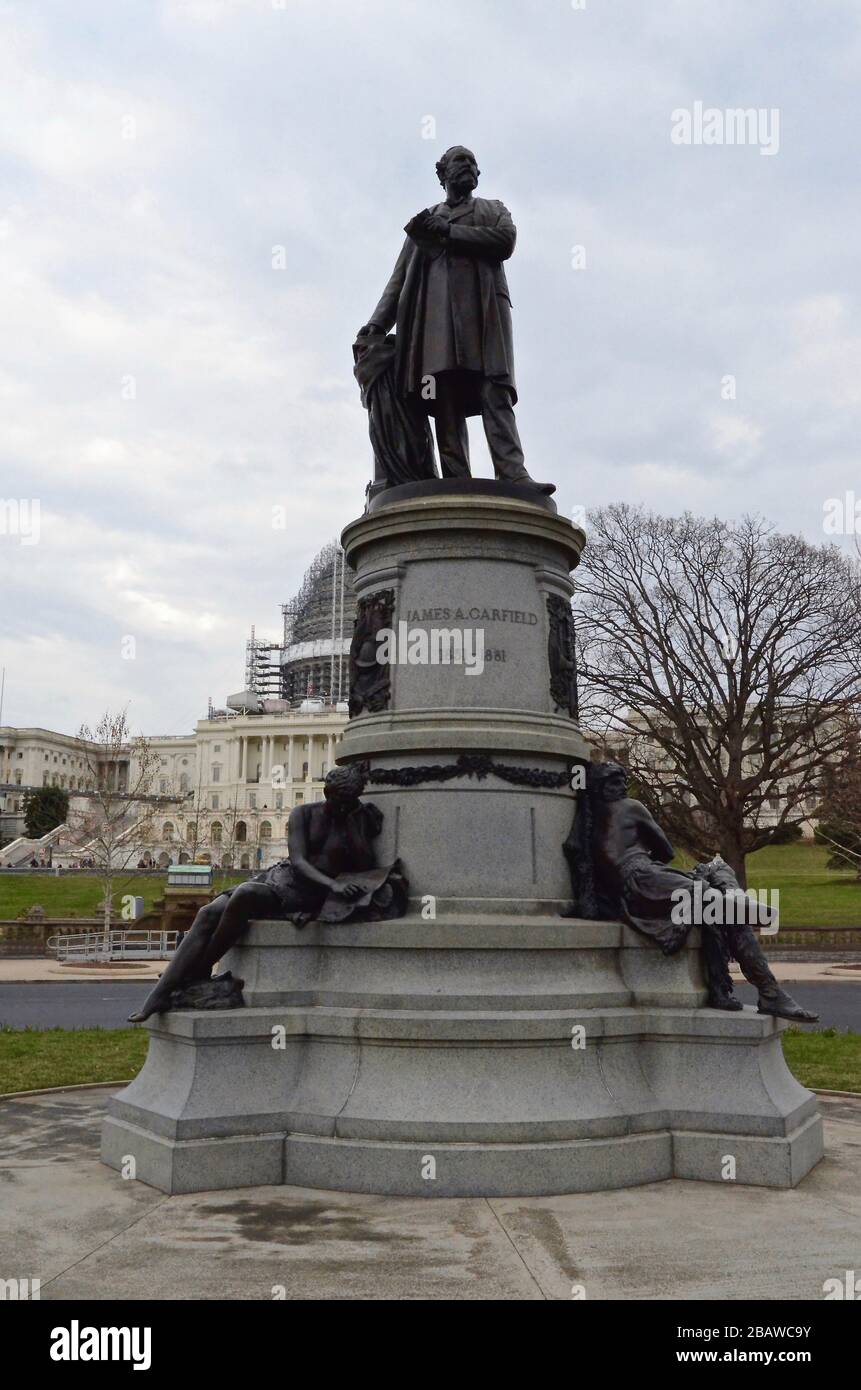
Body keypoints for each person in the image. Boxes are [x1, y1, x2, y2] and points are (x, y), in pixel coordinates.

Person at [128, 766, 407, 1022]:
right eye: (342, 801)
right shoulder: (304, 814)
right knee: (208, 911)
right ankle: (165, 990)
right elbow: (298, 860)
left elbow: (364, 864)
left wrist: (353, 824)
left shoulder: (355, 821)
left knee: (245, 895)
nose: (347, 806)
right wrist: (334, 885)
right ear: (329, 795)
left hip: (308, 894)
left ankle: (187, 977)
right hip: (285, 877)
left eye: (351, 802)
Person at [358, 145, 553, 493]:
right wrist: (377, 324)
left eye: (473, 163)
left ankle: (513, 474)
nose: (469, 167)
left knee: (495, 390)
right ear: (442, 174)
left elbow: (505, 241)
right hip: (436, 323)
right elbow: (399, 279)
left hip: (485, 312)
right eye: (460, 161)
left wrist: (448, 233)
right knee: (444, 398)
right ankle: (456, 482)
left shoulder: (493, 210)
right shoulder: (423, 223)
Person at [563, 762, 818, 1023]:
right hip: (643, 878)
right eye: (616, 782)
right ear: (602, 787)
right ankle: (767, 987)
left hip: (634, 889)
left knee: (716, 885)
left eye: (622, 781)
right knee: (716, 896)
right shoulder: (631, 807)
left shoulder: (587, 821)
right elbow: (666, 851)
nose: (622, 787)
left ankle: (735, 904)